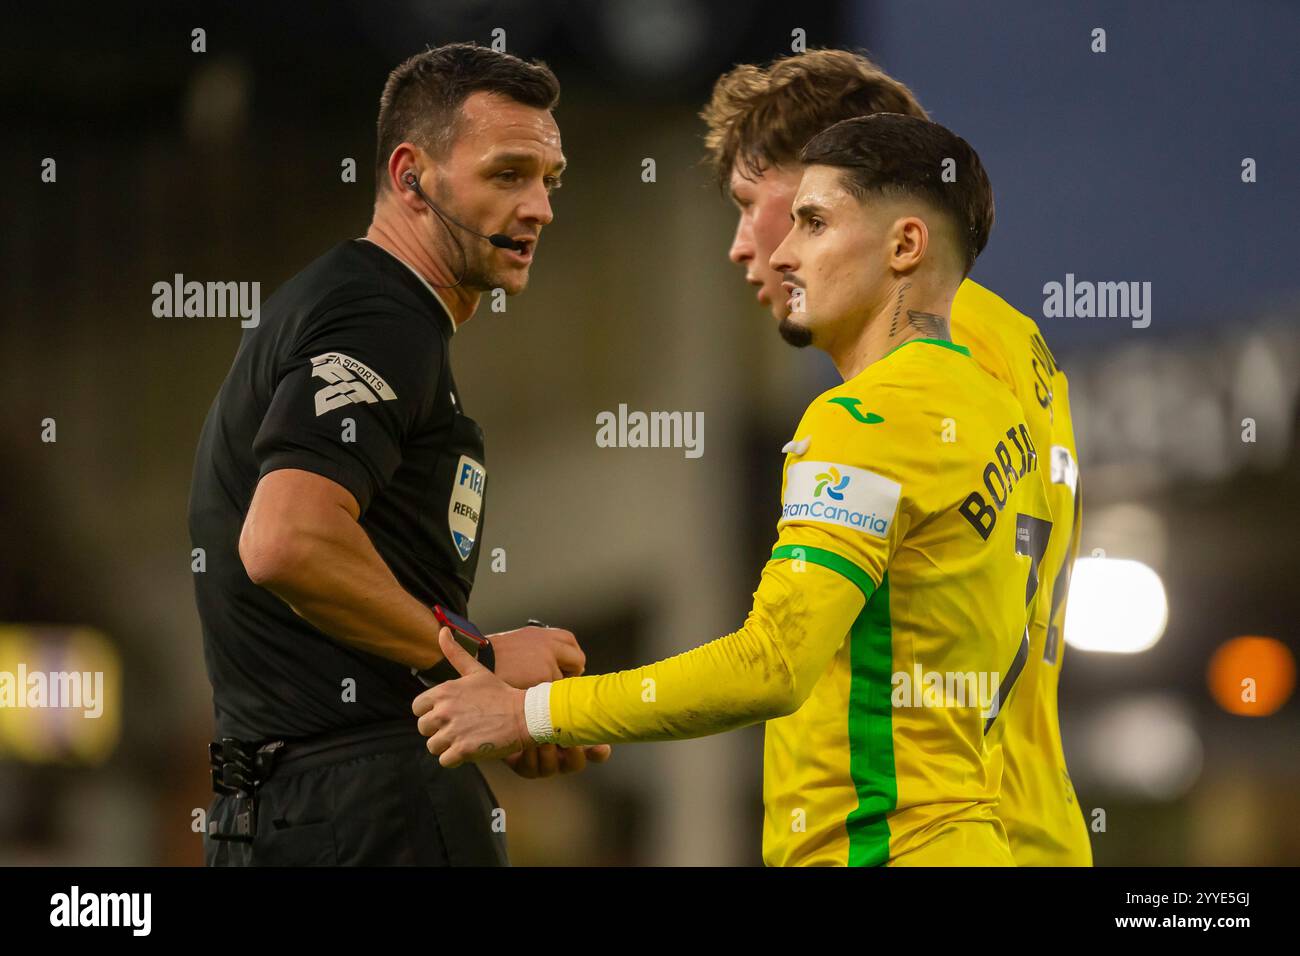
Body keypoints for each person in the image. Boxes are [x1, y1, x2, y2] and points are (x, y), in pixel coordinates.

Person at [416, 113, 1053, 866]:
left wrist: (533, 713)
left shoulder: (869, 414)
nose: (782, 252)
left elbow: (772, 665)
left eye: (813, 223)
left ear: (905, 245)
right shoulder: (996, 400)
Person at [188, 42, 604, 867]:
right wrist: (478, 656)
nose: (541, 208)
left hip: (272, 812)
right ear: (412, 175)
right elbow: (287, 541)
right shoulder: (383, 316)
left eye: (548, 181)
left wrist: (482, 704)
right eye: (508, 174)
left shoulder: (344, 307)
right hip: (366, 816)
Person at [702, 49, 1090, 866]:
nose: (744, 247)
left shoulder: (931, 371)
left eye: (755, 205)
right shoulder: (1005, 344)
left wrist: (542, 709)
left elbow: (776, 661)